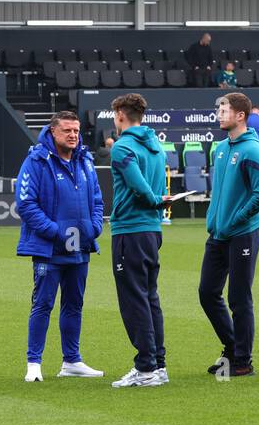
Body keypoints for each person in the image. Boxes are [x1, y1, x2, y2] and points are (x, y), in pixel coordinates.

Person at [14, 110, 105, 383]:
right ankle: (34, 363)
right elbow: (26, 204)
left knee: (74, 304)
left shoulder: (85, 160)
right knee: (43, 304)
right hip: (49, 248)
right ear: (53, 131)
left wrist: (95, 226)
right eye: (67, 130)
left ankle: (72, 361)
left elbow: (98, 200)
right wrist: (55, 232)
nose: (73, 135)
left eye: (76, 131)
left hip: (81, 247)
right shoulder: (36, 161)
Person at [200, 92, 259, 377]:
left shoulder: (253, 150)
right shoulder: (220, 148)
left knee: (239, 298)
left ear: (240, 115)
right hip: (219, 233)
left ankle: (242, 360)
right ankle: (232, 346)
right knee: (207, 293)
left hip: (243, 233)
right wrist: (216, 220)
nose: (219, 114)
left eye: (224, 110)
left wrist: (235, 219)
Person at [108, 92, 172, 388]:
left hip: (130, 230)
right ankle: (157, 364)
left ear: (120, 113)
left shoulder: (123, 147)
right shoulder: (155, 145)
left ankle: (145, 367)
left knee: (134, 300)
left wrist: (155, 200)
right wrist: (159, 202)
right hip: (151, 230)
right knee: (149, 297)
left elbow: (140, 188)